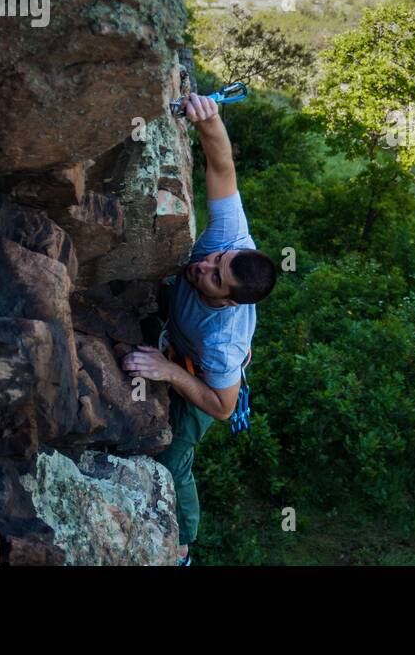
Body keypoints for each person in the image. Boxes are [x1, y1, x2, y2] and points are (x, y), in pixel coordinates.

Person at [122, 92, 277, 566]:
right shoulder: (231, 241)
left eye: (215, 276)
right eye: (215, 260)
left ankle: (184, 546)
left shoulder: (222, 341)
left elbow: (223, 407)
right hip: (179, 330)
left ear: (228, 300)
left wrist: (168, 371)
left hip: (204, 378)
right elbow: (223, 168)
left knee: (175, 459)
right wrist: (208, 119)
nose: (205, 265)